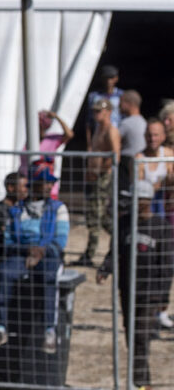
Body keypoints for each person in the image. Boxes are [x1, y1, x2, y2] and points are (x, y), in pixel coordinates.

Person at [99, 179, 173, 390]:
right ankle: (140, 379)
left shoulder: (160, 226)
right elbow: (115, 251)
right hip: (128, 288)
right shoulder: (124, 223)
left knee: (141, 335)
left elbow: (167, 263)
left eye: (136, 200)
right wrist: (105, 269)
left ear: (146, 201)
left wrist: (163, 297)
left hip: (150, 291)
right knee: (131, 334)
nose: (131, 204)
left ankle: (141, 382)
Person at [0, 170, 68, 353]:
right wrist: (27, 251)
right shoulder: (16, 211)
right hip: (21, 253)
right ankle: (0, 327)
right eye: (44, 182)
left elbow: (61, 241)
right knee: (4, 273)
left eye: (51, 183)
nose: (49, 187)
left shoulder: (58, 209)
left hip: (48, 254)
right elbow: (8, 242)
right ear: (33, 185)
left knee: (49, 277)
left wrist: (41, 252)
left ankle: (50, 330)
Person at [81, 97, 120, 267]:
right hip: (94, 177)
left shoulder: (111, 131)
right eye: (95, 111)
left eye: (99, 111)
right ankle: (120, 238)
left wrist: (99, 172)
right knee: (101, 216)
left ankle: (90, 253)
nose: (96, 114)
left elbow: (115, 156)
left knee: (95, 216)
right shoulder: (98, 128)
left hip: (102, 179)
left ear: (108, 112)